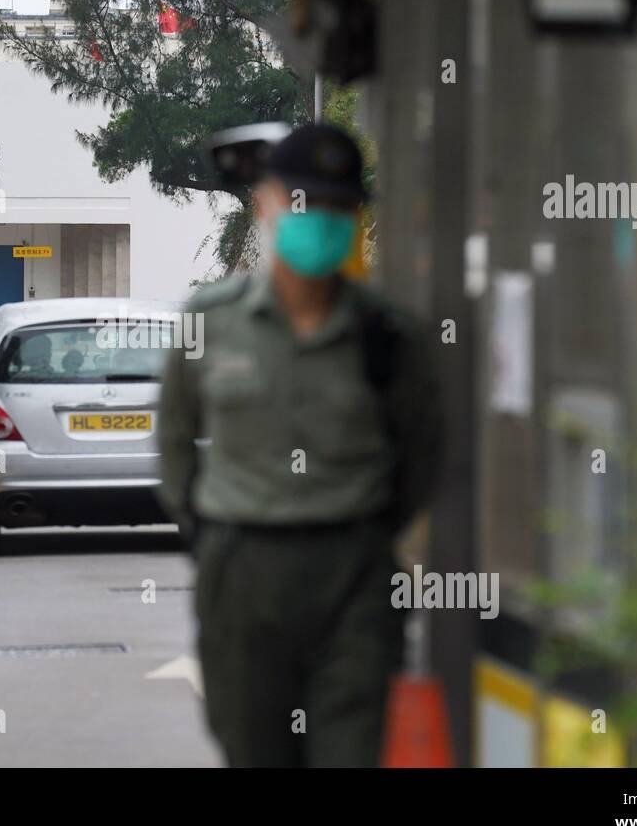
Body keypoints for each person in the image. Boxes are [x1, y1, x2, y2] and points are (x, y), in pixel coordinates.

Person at [156, 124, 444, 767]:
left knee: (350, 752)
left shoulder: (388, 334)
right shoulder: (211, 321)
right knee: (254, 750)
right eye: (304, 203)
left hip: (355, 575)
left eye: (338, 209)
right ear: (266, 203)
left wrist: (368, 528)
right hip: (242, 569)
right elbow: (174, 440)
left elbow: (422, 453)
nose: (321, 221)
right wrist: (207, 532)